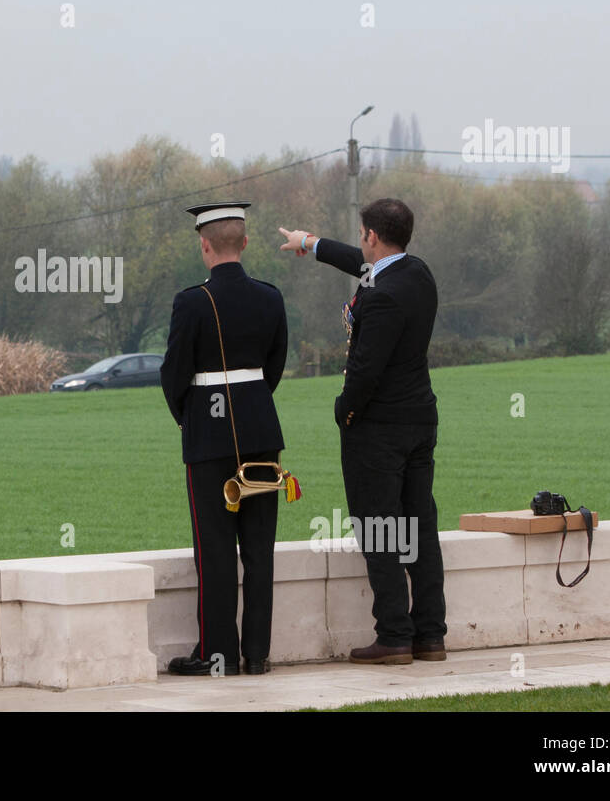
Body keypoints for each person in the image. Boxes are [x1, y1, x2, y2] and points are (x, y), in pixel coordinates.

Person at [279, 198, 447, 664]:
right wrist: (309, 244)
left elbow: (365, 373)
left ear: (373, 236)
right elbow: (362, 264)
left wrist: (343, 413)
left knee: (380, 529)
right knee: (420, 525)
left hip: (378, 428)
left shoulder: (381, 295)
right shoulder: (416, 273)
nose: (359, 241)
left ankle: (394, 635)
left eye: (361, 234)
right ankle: (430, 634)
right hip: (419, 420)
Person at [161, 201, 289, 676]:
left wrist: (189, 418)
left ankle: (217, 656)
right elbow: (273, 366)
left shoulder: (191, 301)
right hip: (262, 431)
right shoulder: (271, 297)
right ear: (246, 243)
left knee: (215, 549)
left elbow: (173, 375)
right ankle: (256, 654)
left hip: (211, 438)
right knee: (259, 549)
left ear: (205, 245)